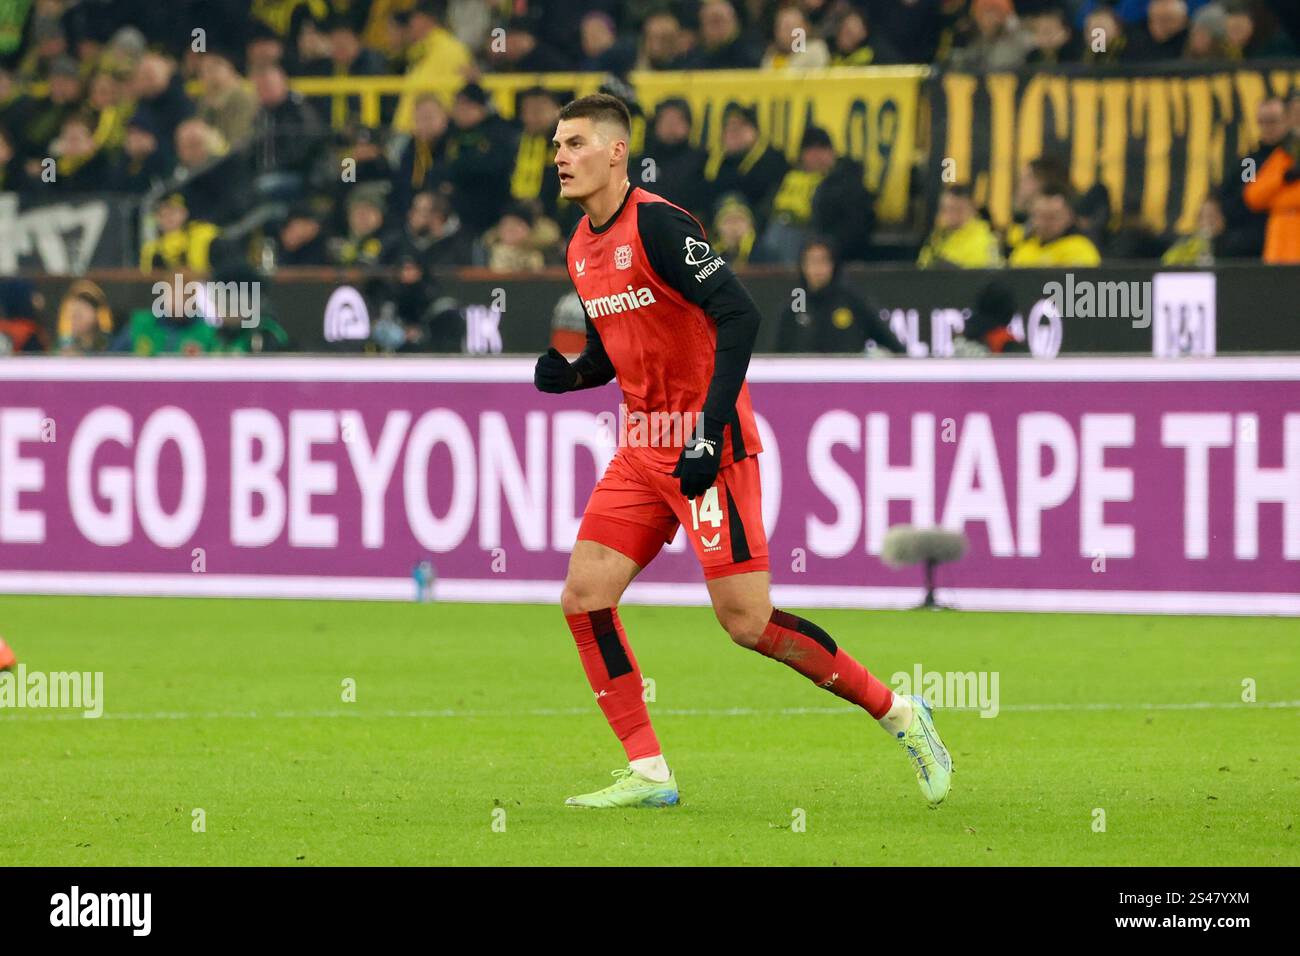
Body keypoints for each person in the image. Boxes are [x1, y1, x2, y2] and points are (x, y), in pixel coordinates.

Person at [532, 93, 953, 810]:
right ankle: (649, 770)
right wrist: (572, 375)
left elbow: (739, 313)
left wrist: (706, 430)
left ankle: (901, 713)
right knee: (584, 597)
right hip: (641, 448)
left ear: (614, 153)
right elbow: (612, 355)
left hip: (706, 446)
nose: (560, 157)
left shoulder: (659, 224)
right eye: (556, 146)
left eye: (574, 143)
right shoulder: (579, 248)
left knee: (747, 624)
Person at [777, 236, 905, 353]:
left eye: (823, 260)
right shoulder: (795, 305)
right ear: (802, 266)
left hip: (847, 376)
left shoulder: (853, 301)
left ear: (833, 264)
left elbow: (893, 345)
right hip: (805, 376)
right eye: (812, 261)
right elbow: (777, 355)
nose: (817, 268)